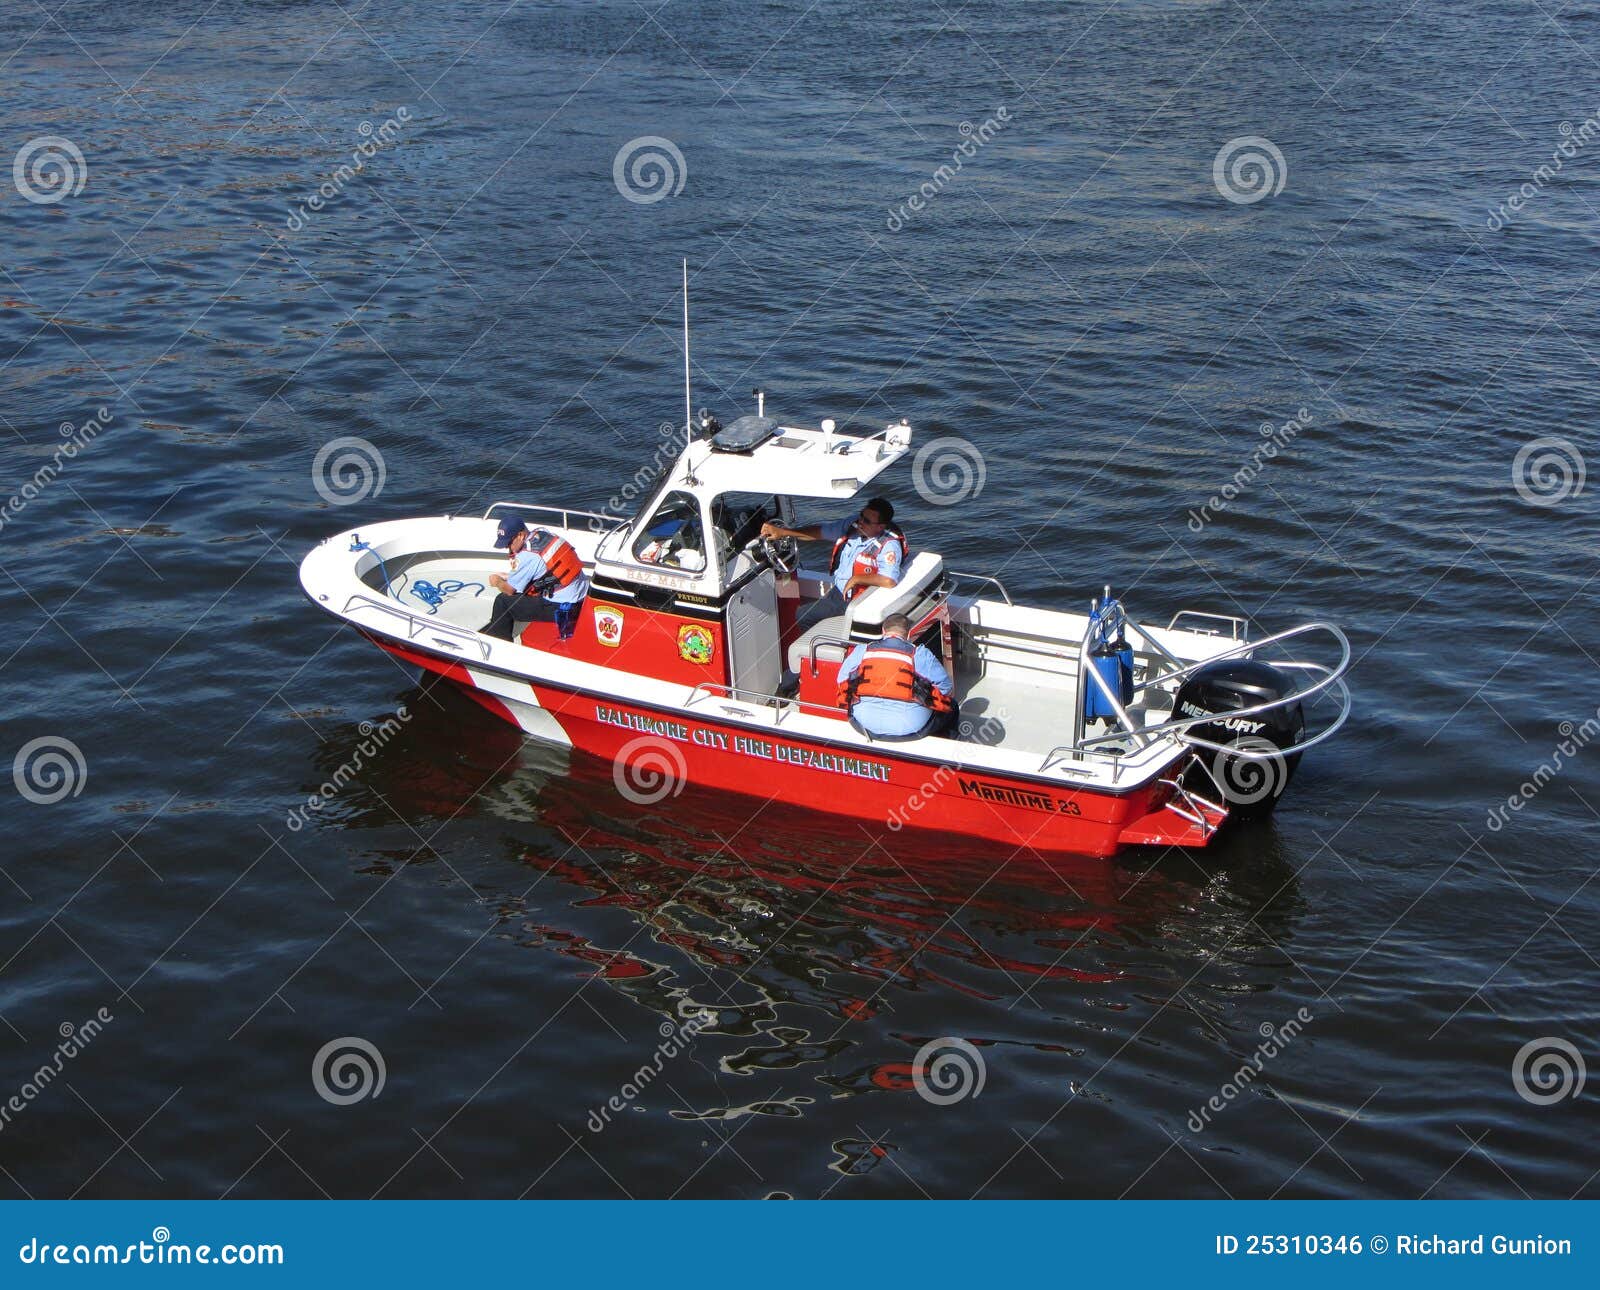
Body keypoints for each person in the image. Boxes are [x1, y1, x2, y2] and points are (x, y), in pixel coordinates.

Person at [761, 496, 907, 632]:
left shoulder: (889, 546)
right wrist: (785, 532)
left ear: (880, 527)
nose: (860, 521)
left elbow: (889, 580)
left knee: (803, 615)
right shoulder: (854, 525)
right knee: (814, 608)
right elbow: (821, 532)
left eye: (867, 521)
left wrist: (856, 579)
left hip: (855, 599)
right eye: (861, 515)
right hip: (840, 591)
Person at [836, 613, 956, 740]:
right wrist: (923, 692)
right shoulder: (920, 654)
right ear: (909, 634)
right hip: (909, 728)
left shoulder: (862, 650)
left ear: (883, 631)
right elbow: (946, 688)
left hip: (863, 724)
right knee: (952, 707)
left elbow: (841, 680)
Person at [480, 514, 589, 643]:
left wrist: (497, 581)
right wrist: (509, 576)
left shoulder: (527, 556)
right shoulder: (543, 534)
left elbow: (510, 590)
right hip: (582, 595)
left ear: (520, 535)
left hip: (566, 608)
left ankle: (500, 646)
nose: (507, 548)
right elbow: (544, 570)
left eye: (509, 543)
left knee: (502, 602)